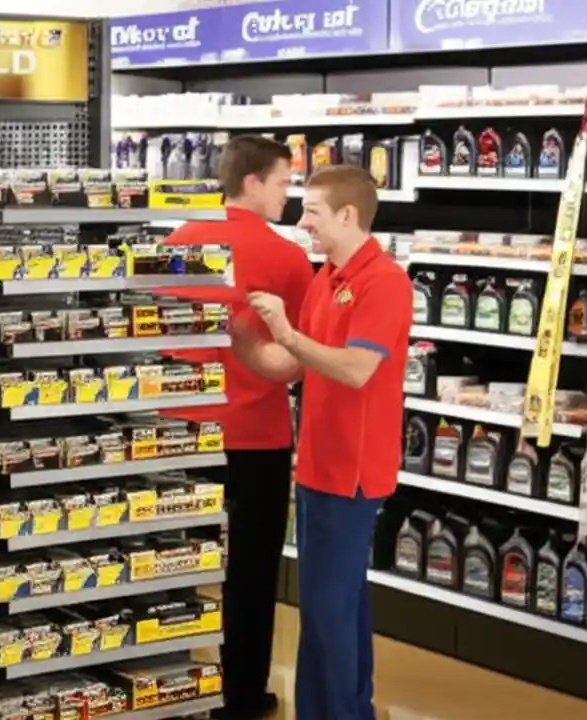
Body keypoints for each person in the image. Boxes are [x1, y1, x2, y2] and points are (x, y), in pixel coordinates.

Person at [239, 165, 412, 720]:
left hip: (352, 470)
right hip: (316, 464)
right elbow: (291, 365)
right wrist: (237, 334)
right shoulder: (327, 278)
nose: (302, 221)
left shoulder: (384, 282)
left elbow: (357, 369)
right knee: (336, 607)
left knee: (328, 609)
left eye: (312, 211)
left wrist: (288, 333)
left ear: (347, 214)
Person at [160, 135, 313, 720]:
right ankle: (242, 698)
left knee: (167, 564)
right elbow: (304, 348)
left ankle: (165, 689)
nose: (287, 196)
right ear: (252, 182)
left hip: (176, 433)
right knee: (249, 575)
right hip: (255, 437)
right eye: (282, 183)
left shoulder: (176, 243)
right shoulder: (286, 258)